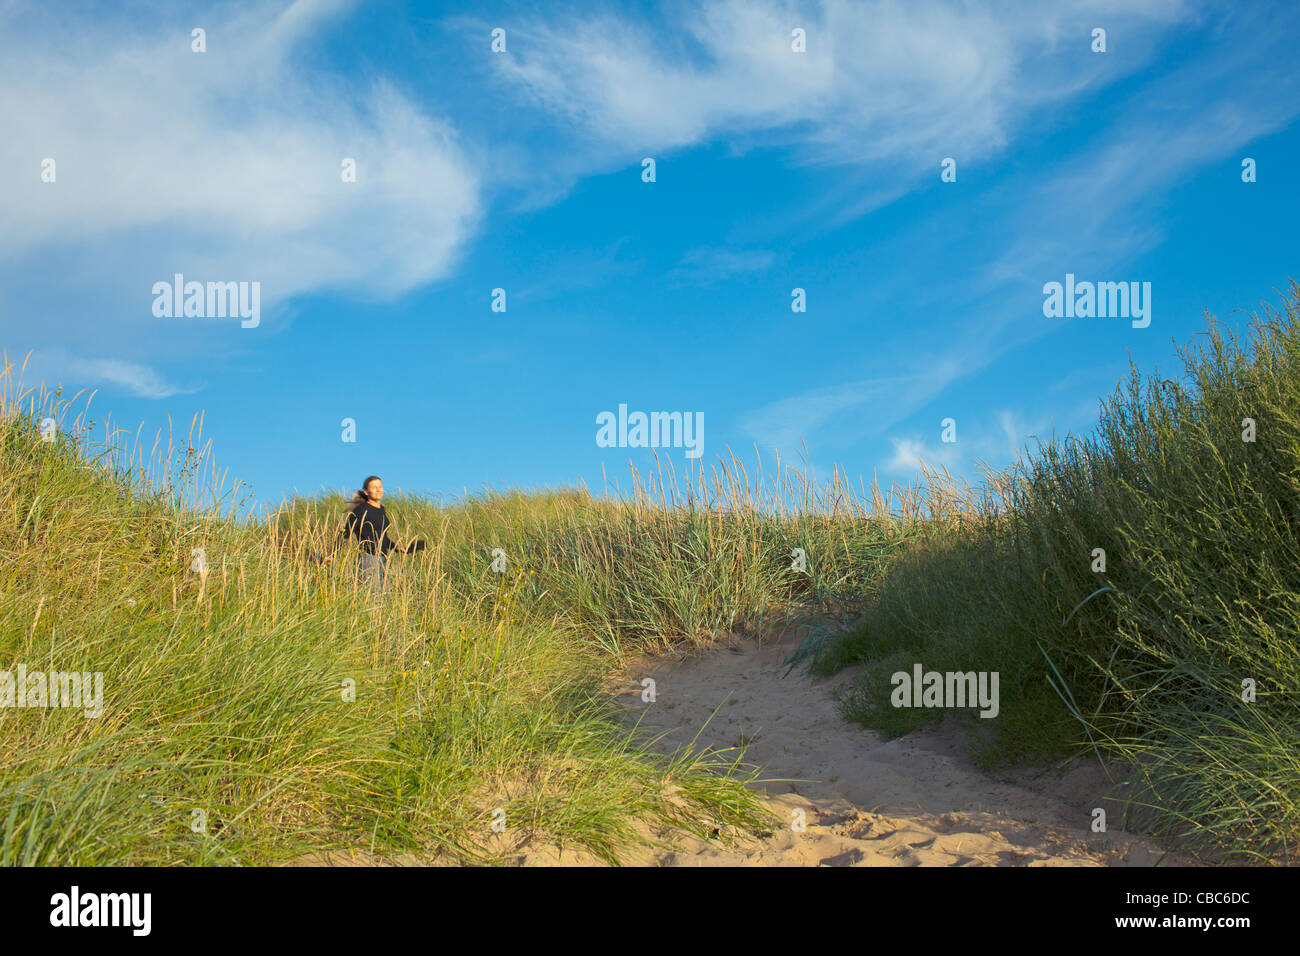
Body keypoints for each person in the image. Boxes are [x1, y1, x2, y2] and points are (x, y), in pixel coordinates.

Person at [332, 475, 424, 592]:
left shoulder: (382, 509)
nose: (378, 490)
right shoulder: (361, 509)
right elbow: (346, 532)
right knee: (373, 597)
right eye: (374, 487)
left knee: (385, 596)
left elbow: (382, 536)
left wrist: (397, 548)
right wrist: (334, 555)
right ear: (366, 492)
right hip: (369, 559)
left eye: (380, 486)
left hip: (382, 558)